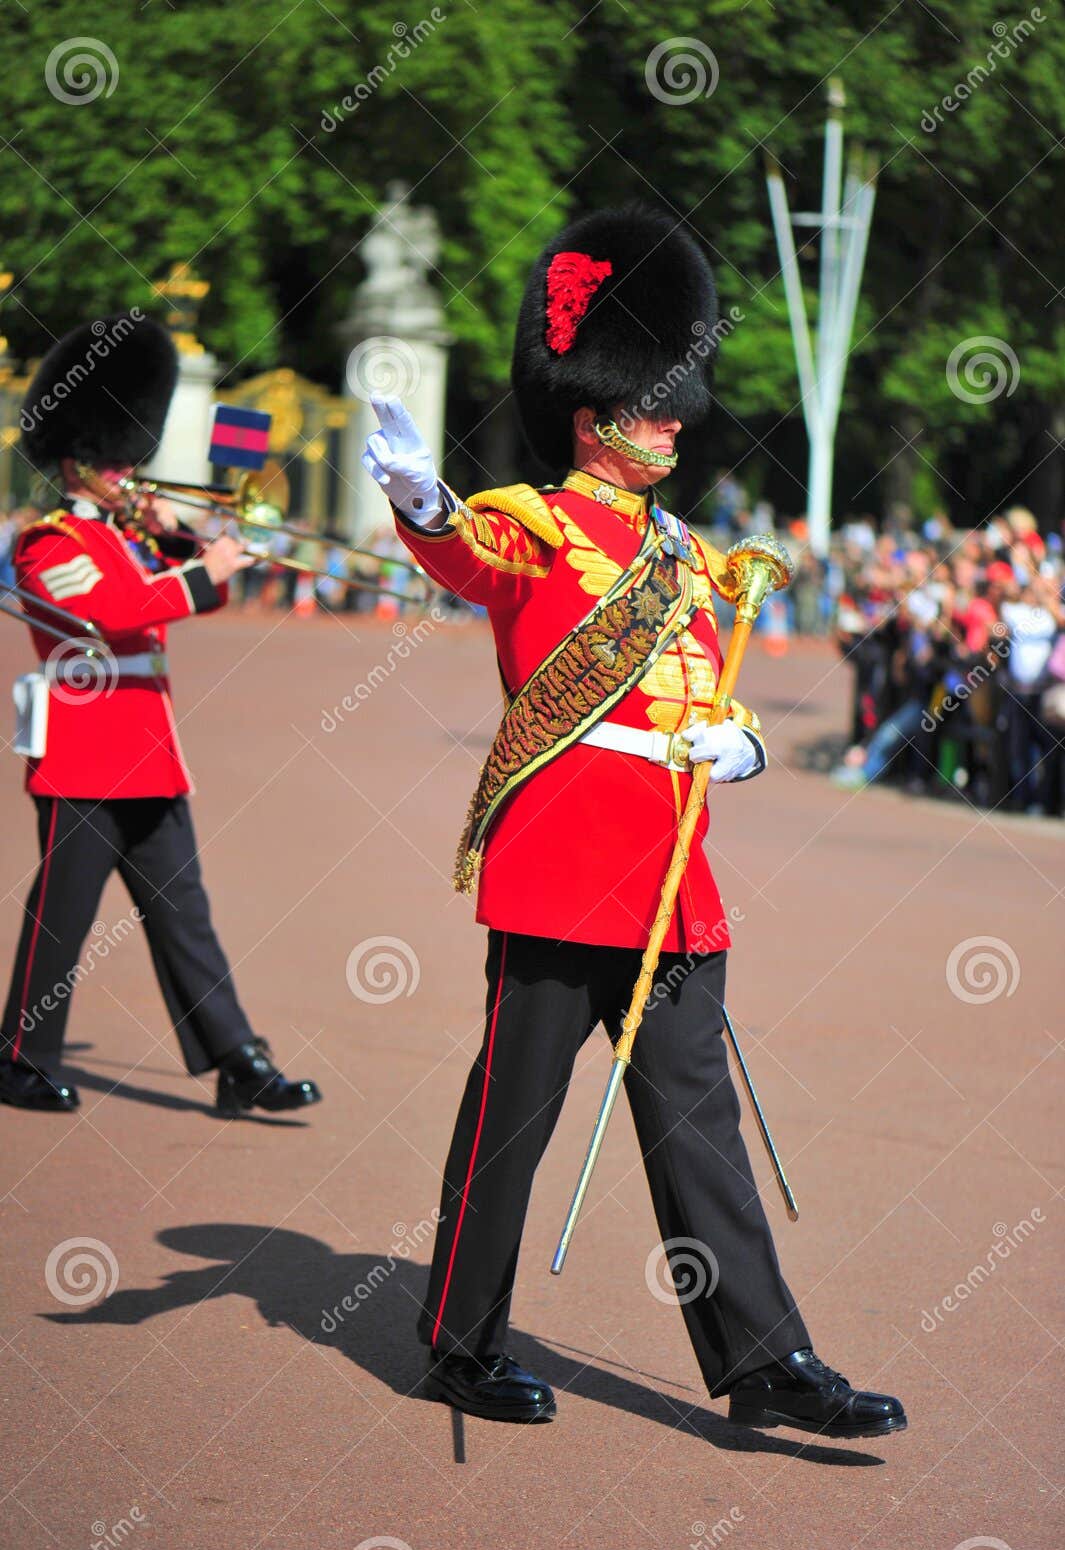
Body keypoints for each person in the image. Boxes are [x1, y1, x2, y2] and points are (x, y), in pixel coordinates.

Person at [362, 205, 906, 1439]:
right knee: (515, 1117)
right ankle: (456, 1337)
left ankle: (766, 1358)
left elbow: (708, 692)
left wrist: (747, 743)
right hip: (561, 861)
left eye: (673, 403)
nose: (674, 421)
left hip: (670, 870)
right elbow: (467, 554)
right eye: (653, 403)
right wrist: (419, 498)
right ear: (591, 409)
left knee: (697, 1122)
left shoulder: (681, 551)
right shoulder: (538, 522)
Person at [0, 314, 322, 1118]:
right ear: (76, 462)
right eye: (114, 460)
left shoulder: (125, 536)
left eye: (130, 456)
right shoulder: (47, 544)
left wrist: (182, 546)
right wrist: (198, 569)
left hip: (146, 751)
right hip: (83, 752)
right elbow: (112, 611)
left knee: (186, 916)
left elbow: (161, 593)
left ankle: (238, 1059)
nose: (128, 471)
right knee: (63, 919)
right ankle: (20, 1056)